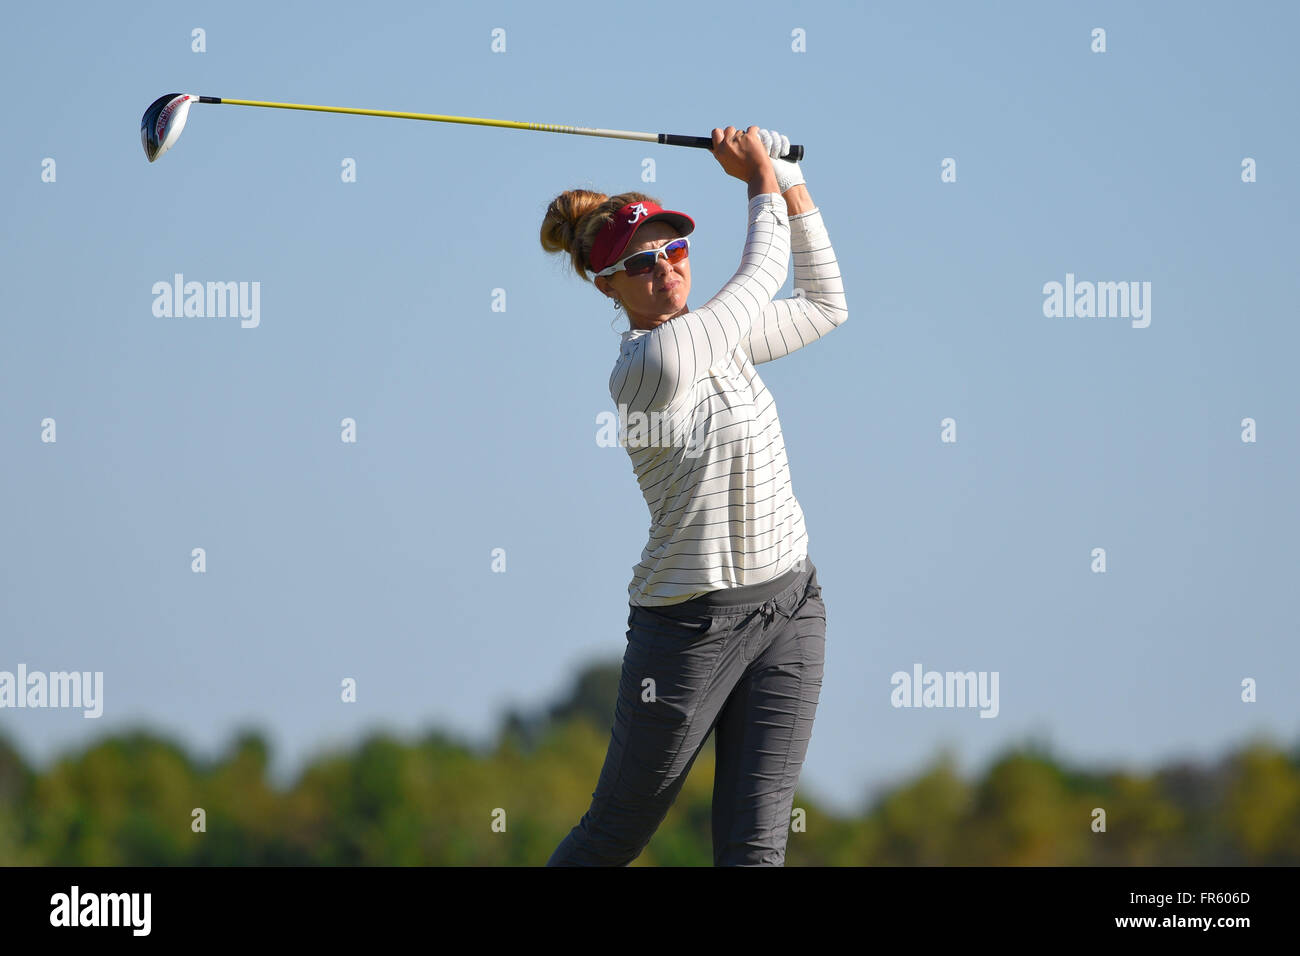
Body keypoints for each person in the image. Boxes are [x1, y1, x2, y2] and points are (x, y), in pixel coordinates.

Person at [538, 126, 848, 865]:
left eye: (675, 250)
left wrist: (791, 179)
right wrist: (757, 180)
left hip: (790, 607)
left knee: (755, 848)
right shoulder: (649, 365)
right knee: (615, 833)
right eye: (640, 263)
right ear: (605, 284)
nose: (666, 269)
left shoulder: (719, 335)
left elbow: (825, 303)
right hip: (687, 631)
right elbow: (761, 275)